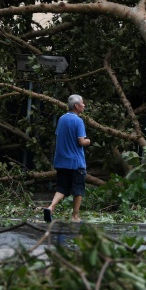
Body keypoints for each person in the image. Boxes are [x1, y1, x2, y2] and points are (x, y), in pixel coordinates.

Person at [44, 94, 90, 223]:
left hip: (61, 160)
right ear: (76, 106)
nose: (84, 105)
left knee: (62, 188)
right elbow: (80, 141)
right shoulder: (78, 121)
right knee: (78, 189)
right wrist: (88, 141)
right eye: (82, 103)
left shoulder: (62, 119)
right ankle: (75, 216)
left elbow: (60, 136)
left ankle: (51, 207)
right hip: (76, 162)